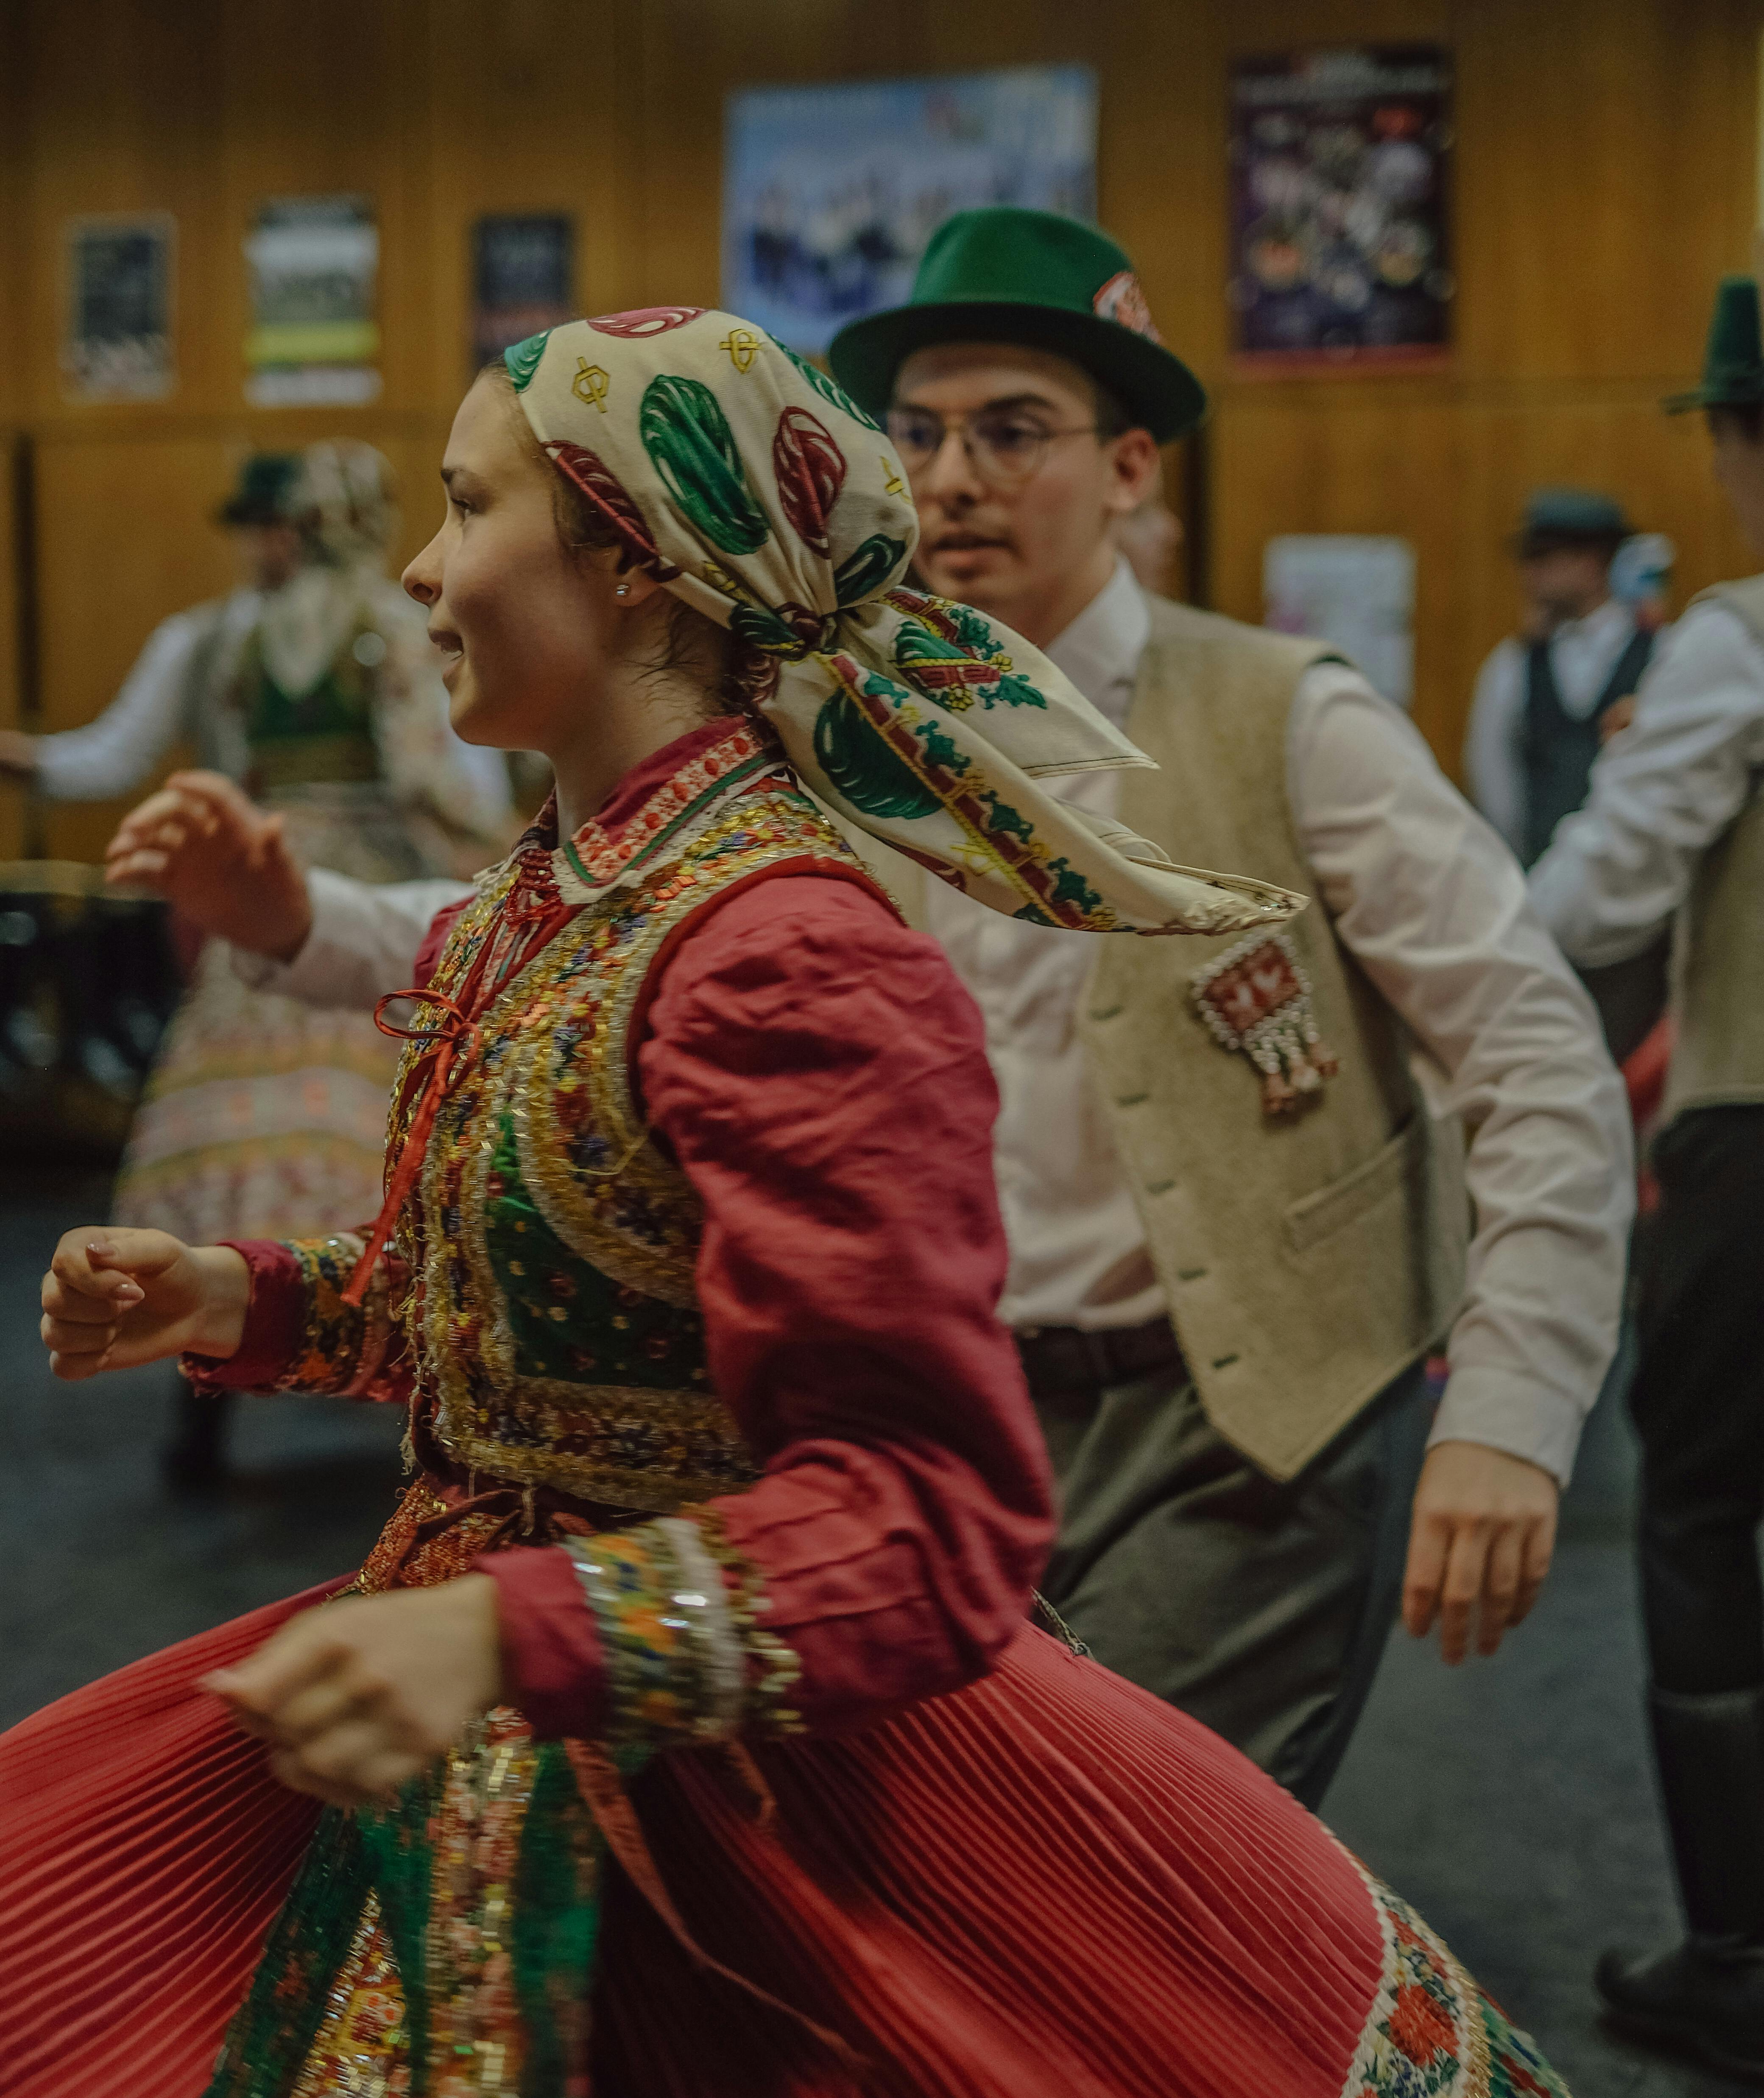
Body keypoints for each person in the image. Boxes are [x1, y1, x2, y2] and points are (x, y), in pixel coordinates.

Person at [0, 311, 1694, 2098]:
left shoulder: (779, 949)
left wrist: (517, 1627)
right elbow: (562, 1323)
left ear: (633, 560)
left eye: (468, 509)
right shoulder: (558, 894)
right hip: (488, 1709)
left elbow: (928, 1514)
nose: (423, 570)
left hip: (748, 1795)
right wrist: (248, 1297)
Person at [109, 215, 1634, 1811]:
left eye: (1012, 431)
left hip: (1238, 1423)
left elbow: (1531, 1055)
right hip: (869, 1406)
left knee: (1124, 1885)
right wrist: (295, 922)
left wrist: (1512, 1411)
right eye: (918, 433)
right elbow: (602, 945)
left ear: (1128, 469)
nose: (956, 475)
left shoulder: (1289, 714)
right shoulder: (806, 746)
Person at [33, 444, 513, 1483]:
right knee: (367, 1137)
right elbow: (435, 782)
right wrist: (510, 853)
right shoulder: (388, 635)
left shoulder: (235, 634)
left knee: (229, 1140)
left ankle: (198, 1407)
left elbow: (158, 753)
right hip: (358, 882)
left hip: (264, 891)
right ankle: (398, 1386)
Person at [1529, 273, 1764, 2081]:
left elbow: (1605, 891)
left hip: (1753, 1139)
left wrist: (1467, 983)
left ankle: (1739, 1949)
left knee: (1693, 1511)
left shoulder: (1739, 635)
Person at [1463, 487, 1662, 866]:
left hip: (1637, 880)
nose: (1528, 573)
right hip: (1538, 878)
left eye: (1542, 557)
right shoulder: (1514, 663)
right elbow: (1492, 779)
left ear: (1591, 561)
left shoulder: (1661, 653)